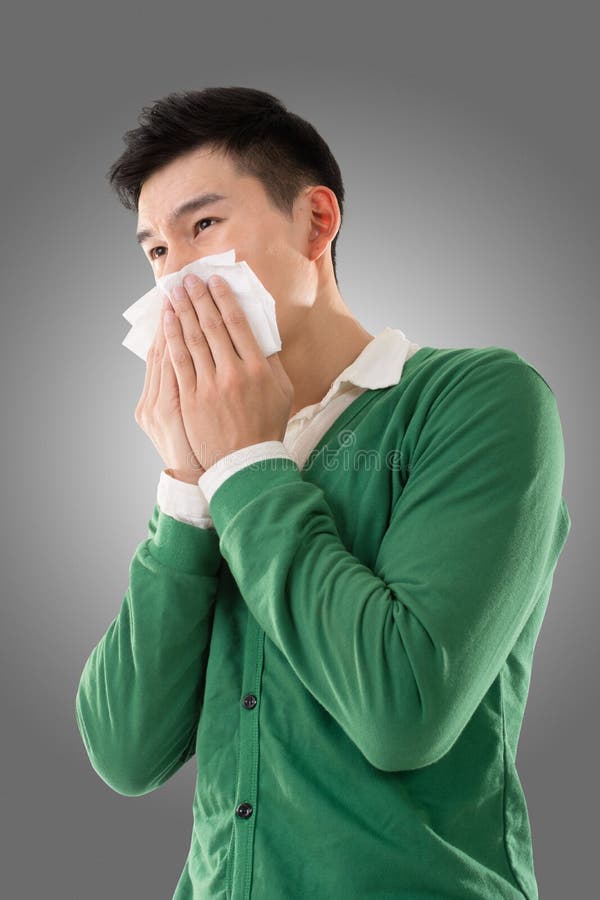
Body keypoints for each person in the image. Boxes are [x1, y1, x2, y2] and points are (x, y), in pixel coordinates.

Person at [75, 86, 571, 900]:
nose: (176, 279)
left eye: (203, 226)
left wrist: (244, 466)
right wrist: (183, 491)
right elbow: (126, 753)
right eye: (156, 252)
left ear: (316, 223)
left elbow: (401, 714)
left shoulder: (478, 399)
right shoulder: (216, 455)